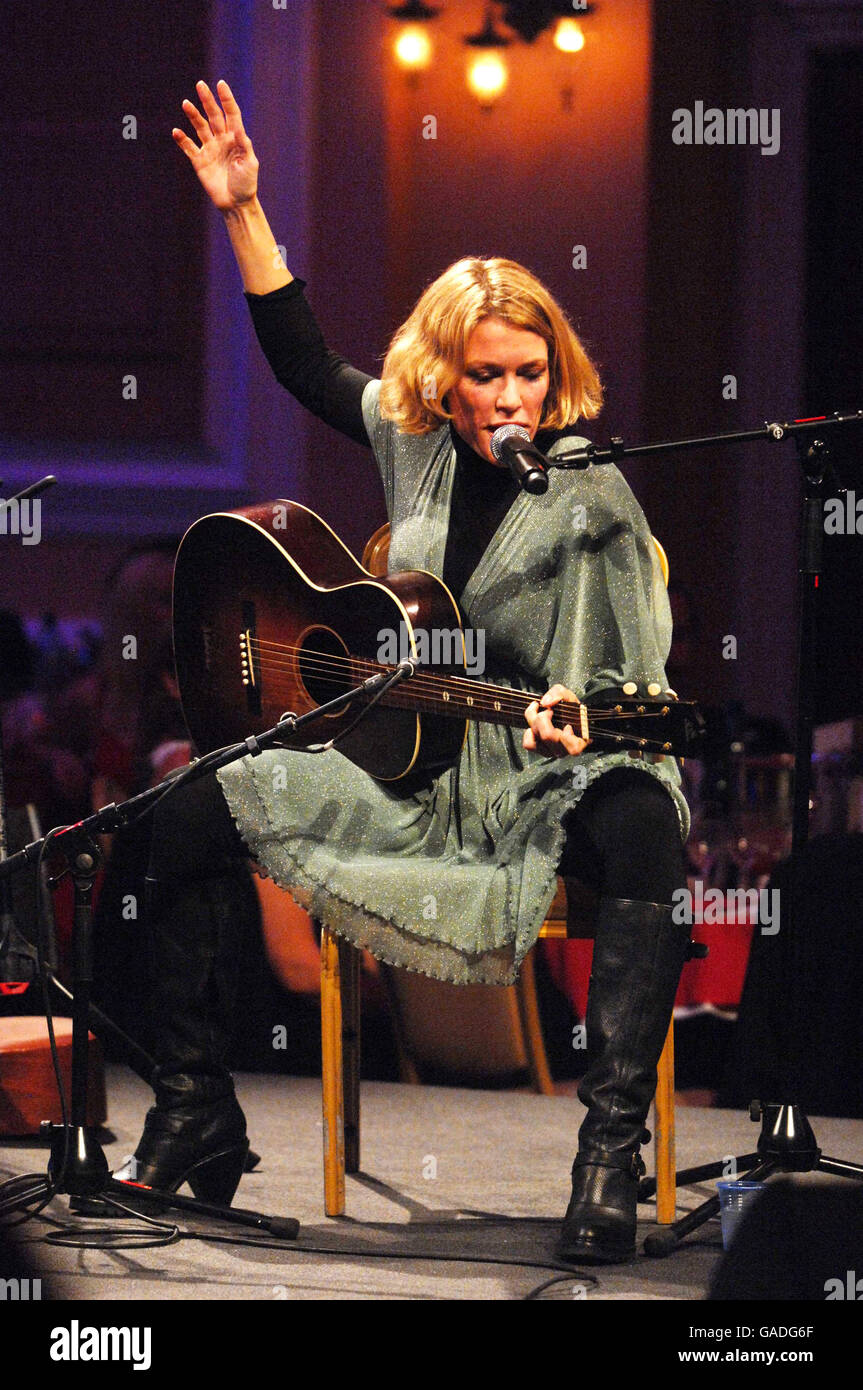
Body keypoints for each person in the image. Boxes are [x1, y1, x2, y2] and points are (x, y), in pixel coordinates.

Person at [116, 79, 693, 1265]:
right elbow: (303, 361)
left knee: (642, 820)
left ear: (555, 372)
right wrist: (243, 209)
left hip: (543, 773)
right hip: (408, 770)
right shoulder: (415, 445)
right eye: (485, 375)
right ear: (445, 376)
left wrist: (584, 721)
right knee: (187, 806)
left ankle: (606, 1155)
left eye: (527, 372)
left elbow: (635, 681)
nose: (509, 398)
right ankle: (194, 1106)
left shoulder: (592, 493)